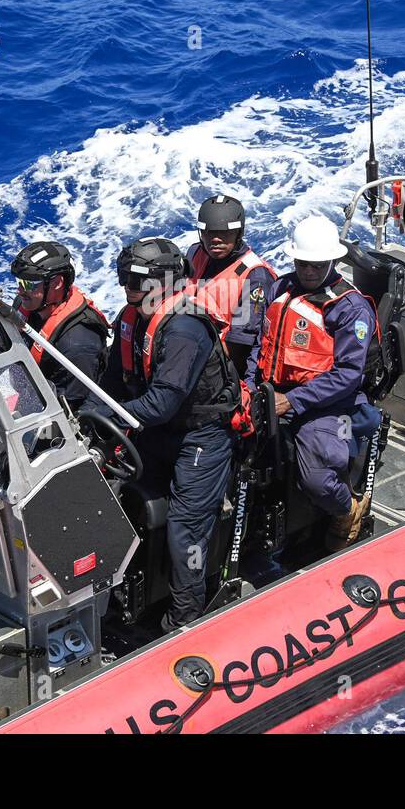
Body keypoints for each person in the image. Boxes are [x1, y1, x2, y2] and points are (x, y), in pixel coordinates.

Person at [87, 237, 238, 631]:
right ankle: (113, 594)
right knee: (108, 497)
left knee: (184, 527)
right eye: (124, 278)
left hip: (199, 439)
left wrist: (114, 420)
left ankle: (187, 613)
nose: (126, 288)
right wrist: (86, 417)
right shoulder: (130, 319)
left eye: (135, 280)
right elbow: (113, 384)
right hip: (155, 433)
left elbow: (161, 404)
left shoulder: (185, 328)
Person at [244, 216, 378, 552]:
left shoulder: (350, 309)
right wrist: (248, 387)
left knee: (316, 480)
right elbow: (260, 345)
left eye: (317, 265)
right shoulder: (280, 289)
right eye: (303, 263)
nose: (308, 271)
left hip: (326, 404)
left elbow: (348, 374)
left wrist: (293, 401)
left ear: (332, 261)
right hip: (270, 392)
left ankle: (347, 509)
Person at [10, 241, 109, 411]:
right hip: (31, 397)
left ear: (57, 283)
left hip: (62, 415)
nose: (20, 291)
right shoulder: (25, 304)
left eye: (29, 284)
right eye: (20, 282)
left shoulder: (78, 344)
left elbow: (67, 409)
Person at [184, 194, 276, 378]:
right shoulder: (195, 253)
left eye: (224, 233)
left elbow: (239, 348)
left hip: (221, 368)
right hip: (187, 342)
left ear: (239, 234)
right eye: (209, 232)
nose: (215, 239)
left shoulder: (255, 276)